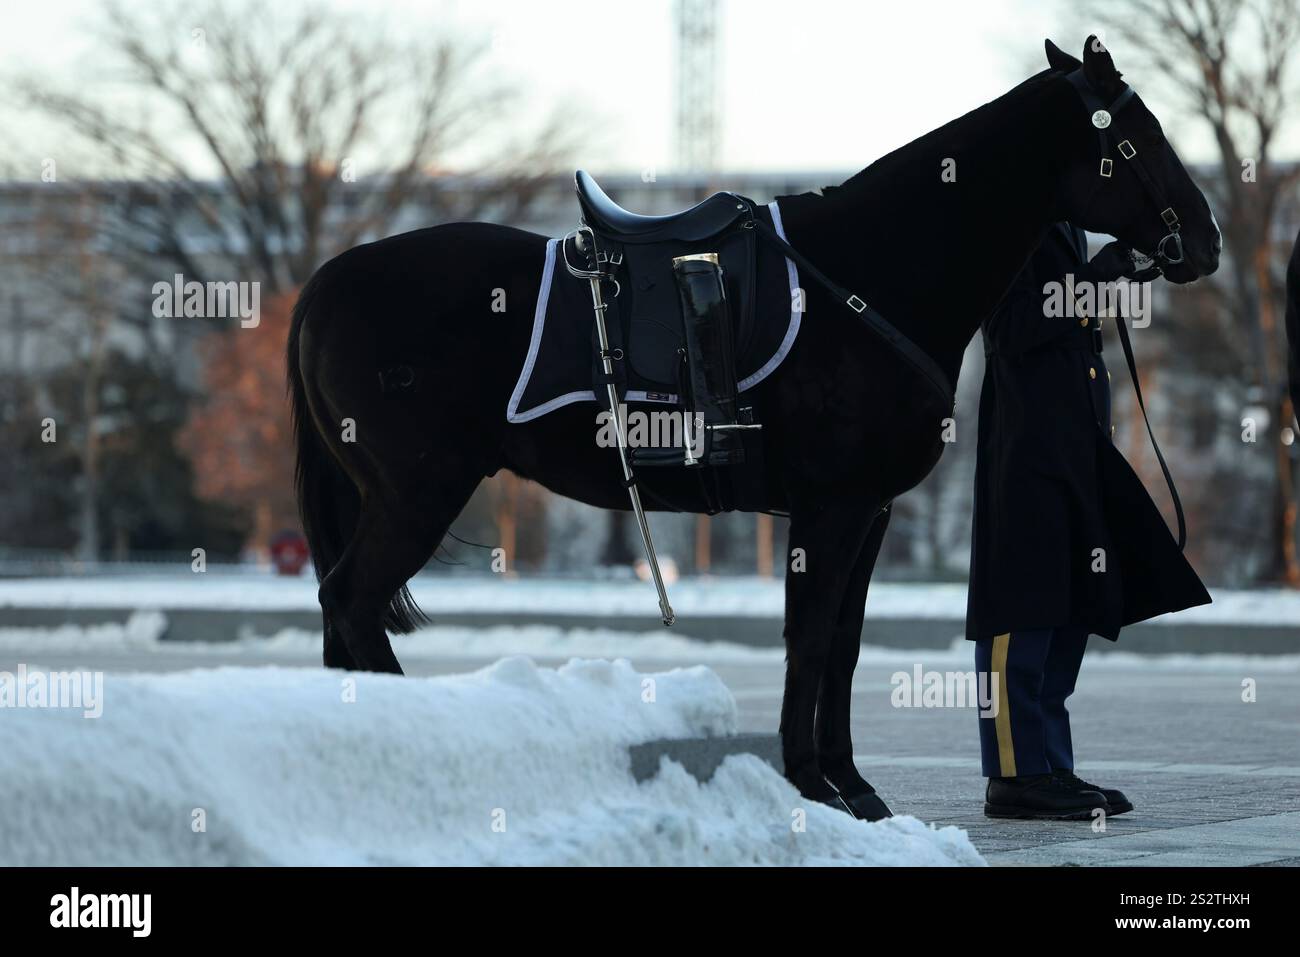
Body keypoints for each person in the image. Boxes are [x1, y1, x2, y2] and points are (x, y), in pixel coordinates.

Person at [968, 222, 1211, 820]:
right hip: (1026, 445)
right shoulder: (1007, 222)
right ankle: (1013, 773)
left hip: (1075, 442)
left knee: (1068, 603)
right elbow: (1009, 329)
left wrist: (1109, 275)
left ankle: (1050, 764)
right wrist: (1092, 283)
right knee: (1022, 606)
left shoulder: (1061, 227)